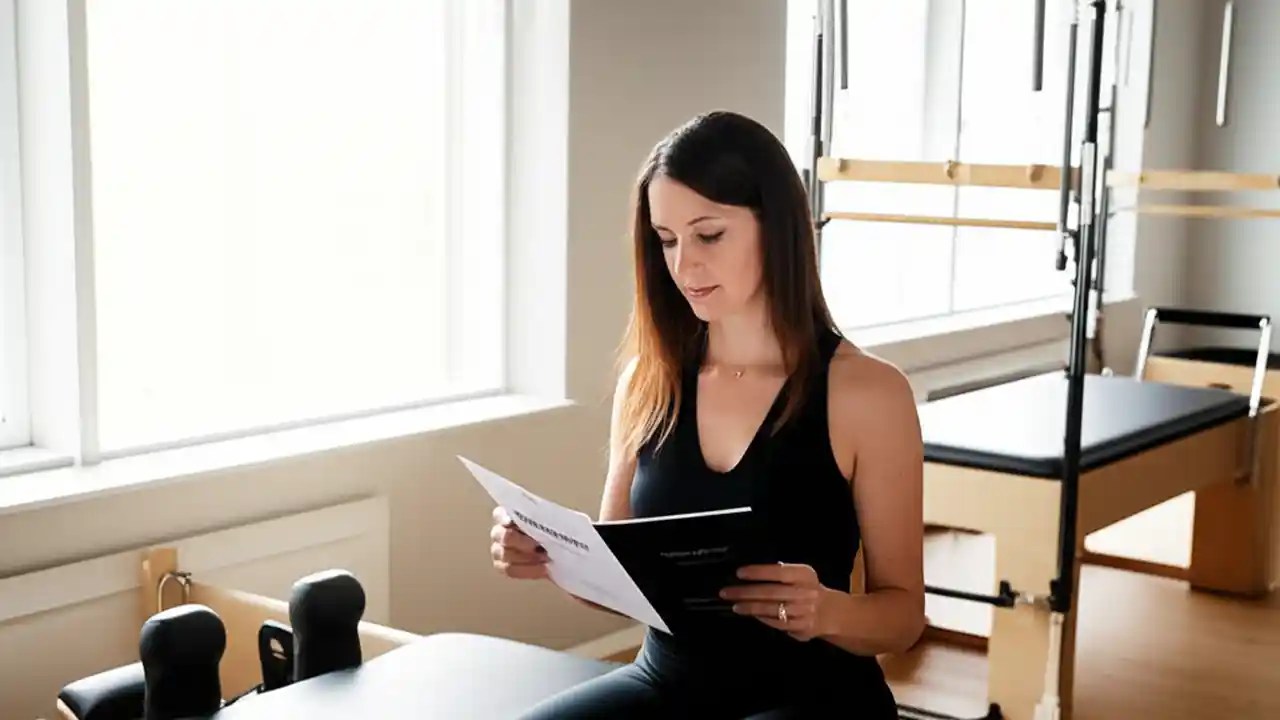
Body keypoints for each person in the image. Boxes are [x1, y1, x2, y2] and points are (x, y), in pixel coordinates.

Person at [489, 110, 924, 718]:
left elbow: (903, 617)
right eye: (667, 240)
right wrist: (552, 557)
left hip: (813, 695)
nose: (683, 266)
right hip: (665, 685)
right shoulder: (649, 379)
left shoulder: (868, 394)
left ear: (776, 227)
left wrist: (827, 610)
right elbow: (622, 581)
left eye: (709, 235)